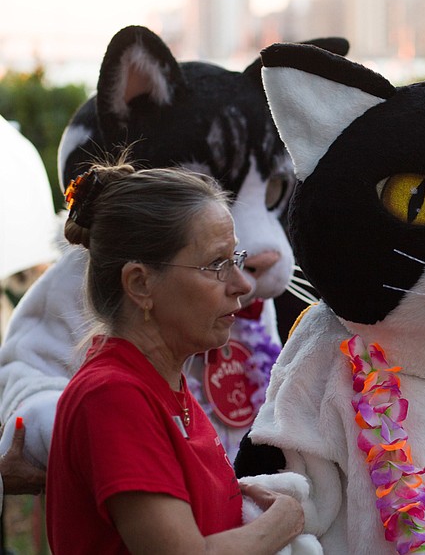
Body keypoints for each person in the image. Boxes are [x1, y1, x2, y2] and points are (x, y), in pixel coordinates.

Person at [45, 162, 304, 554]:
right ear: (140, 283)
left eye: (237, 259)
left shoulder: (163, 383)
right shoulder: (112, 396)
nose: (242, 284)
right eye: (218, 264)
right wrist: (283, 521)